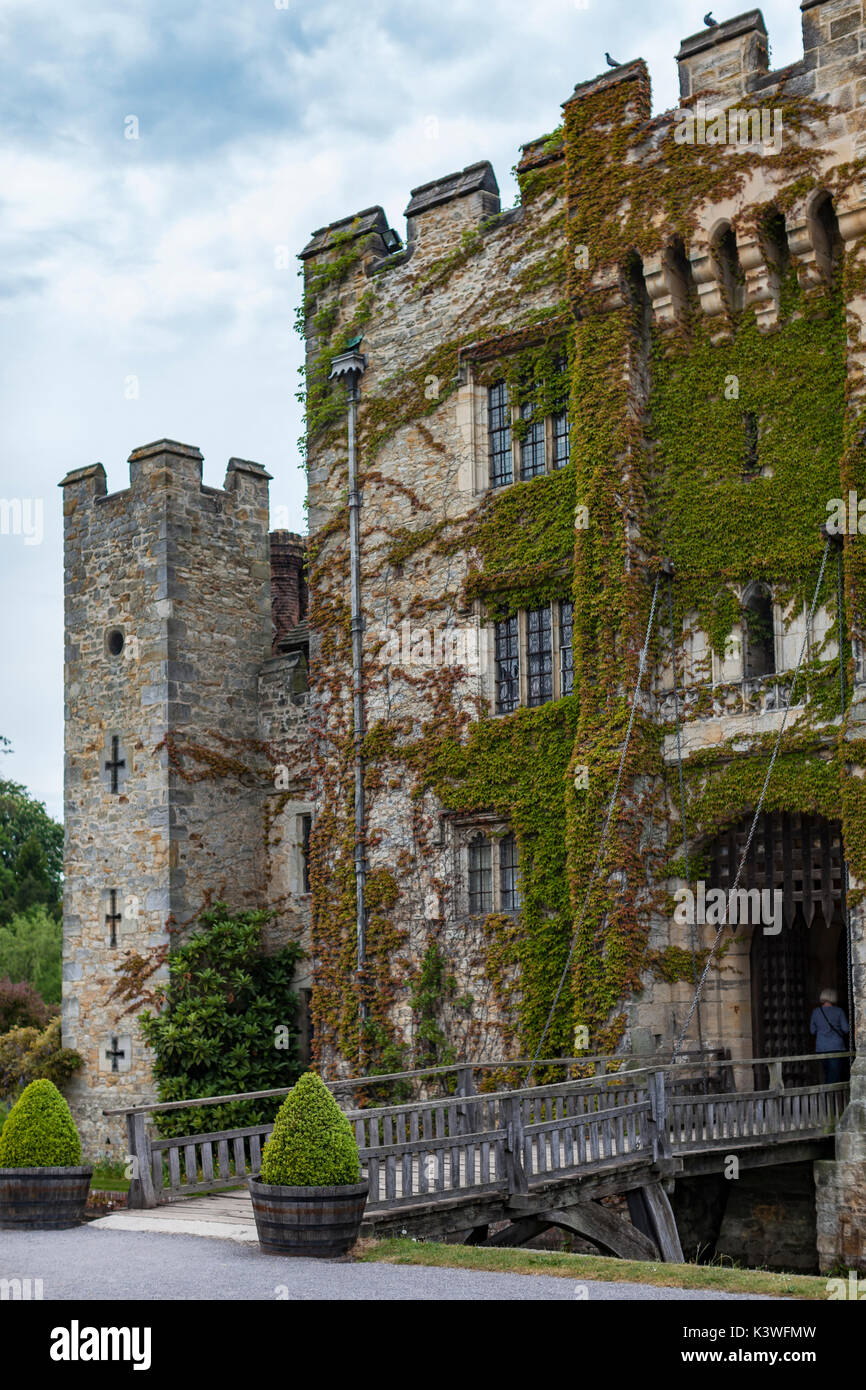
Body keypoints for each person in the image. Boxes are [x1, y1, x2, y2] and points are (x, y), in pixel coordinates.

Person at [809, 988, 849, 1084]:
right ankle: (829, 1095)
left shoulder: (816, 1012)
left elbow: (812, 1031)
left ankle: (827, 1095)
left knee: (827, 1073)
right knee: (834, 1074)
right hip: (836, 1046)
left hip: (821, 1047)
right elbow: (846, 1029)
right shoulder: (839, 1011)